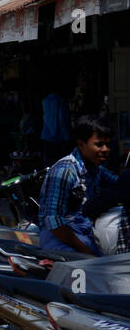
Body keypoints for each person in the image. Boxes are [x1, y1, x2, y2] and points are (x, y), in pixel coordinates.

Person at [37, 115, 116, 255]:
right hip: (61, 241)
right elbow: (54, 222)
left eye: (108, 144)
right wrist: (86, 252)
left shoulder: (95, 168)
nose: (105, 149)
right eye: (99, 144)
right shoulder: (65, 171)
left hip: (85, 236)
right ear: (81, 144)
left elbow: (118, 183)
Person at [41, 85, 73, 166]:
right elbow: (62, 120)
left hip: (46, 135)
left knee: (48, 164)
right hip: (58, 138)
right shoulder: (61, 101)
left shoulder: (45, 100)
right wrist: (67, 137)